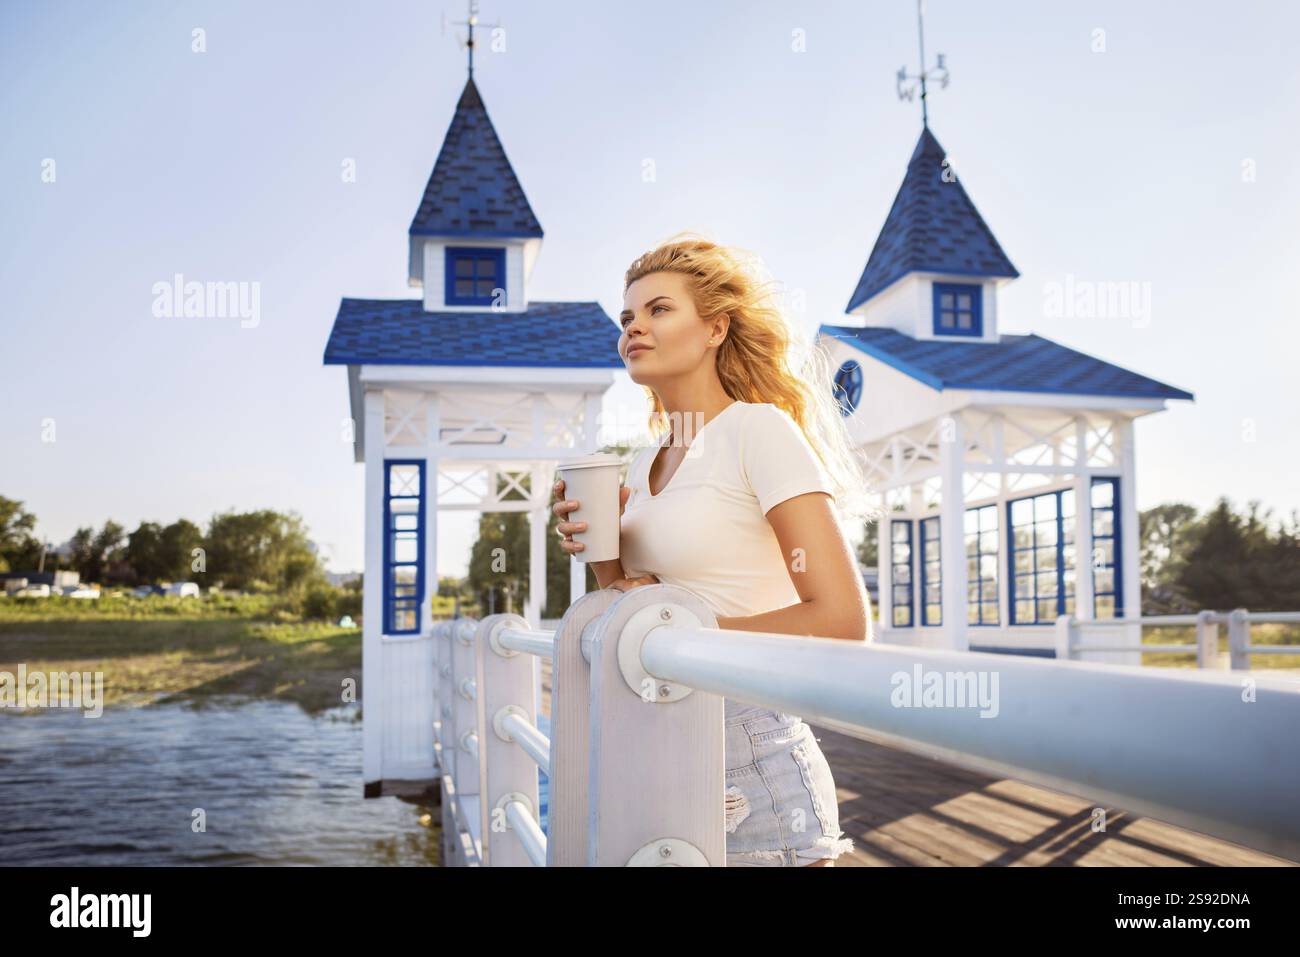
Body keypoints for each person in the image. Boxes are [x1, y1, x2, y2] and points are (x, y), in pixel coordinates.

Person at [552, 234, 879, 867]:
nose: (633, 329)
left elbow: (841, 621)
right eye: (626, 318)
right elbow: (637, 606)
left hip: (754, 764)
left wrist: (681, 643)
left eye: (658, 310)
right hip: (651, 755)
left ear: (715, 328)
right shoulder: (645, 460)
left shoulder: (758, 430)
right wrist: (602, 554)